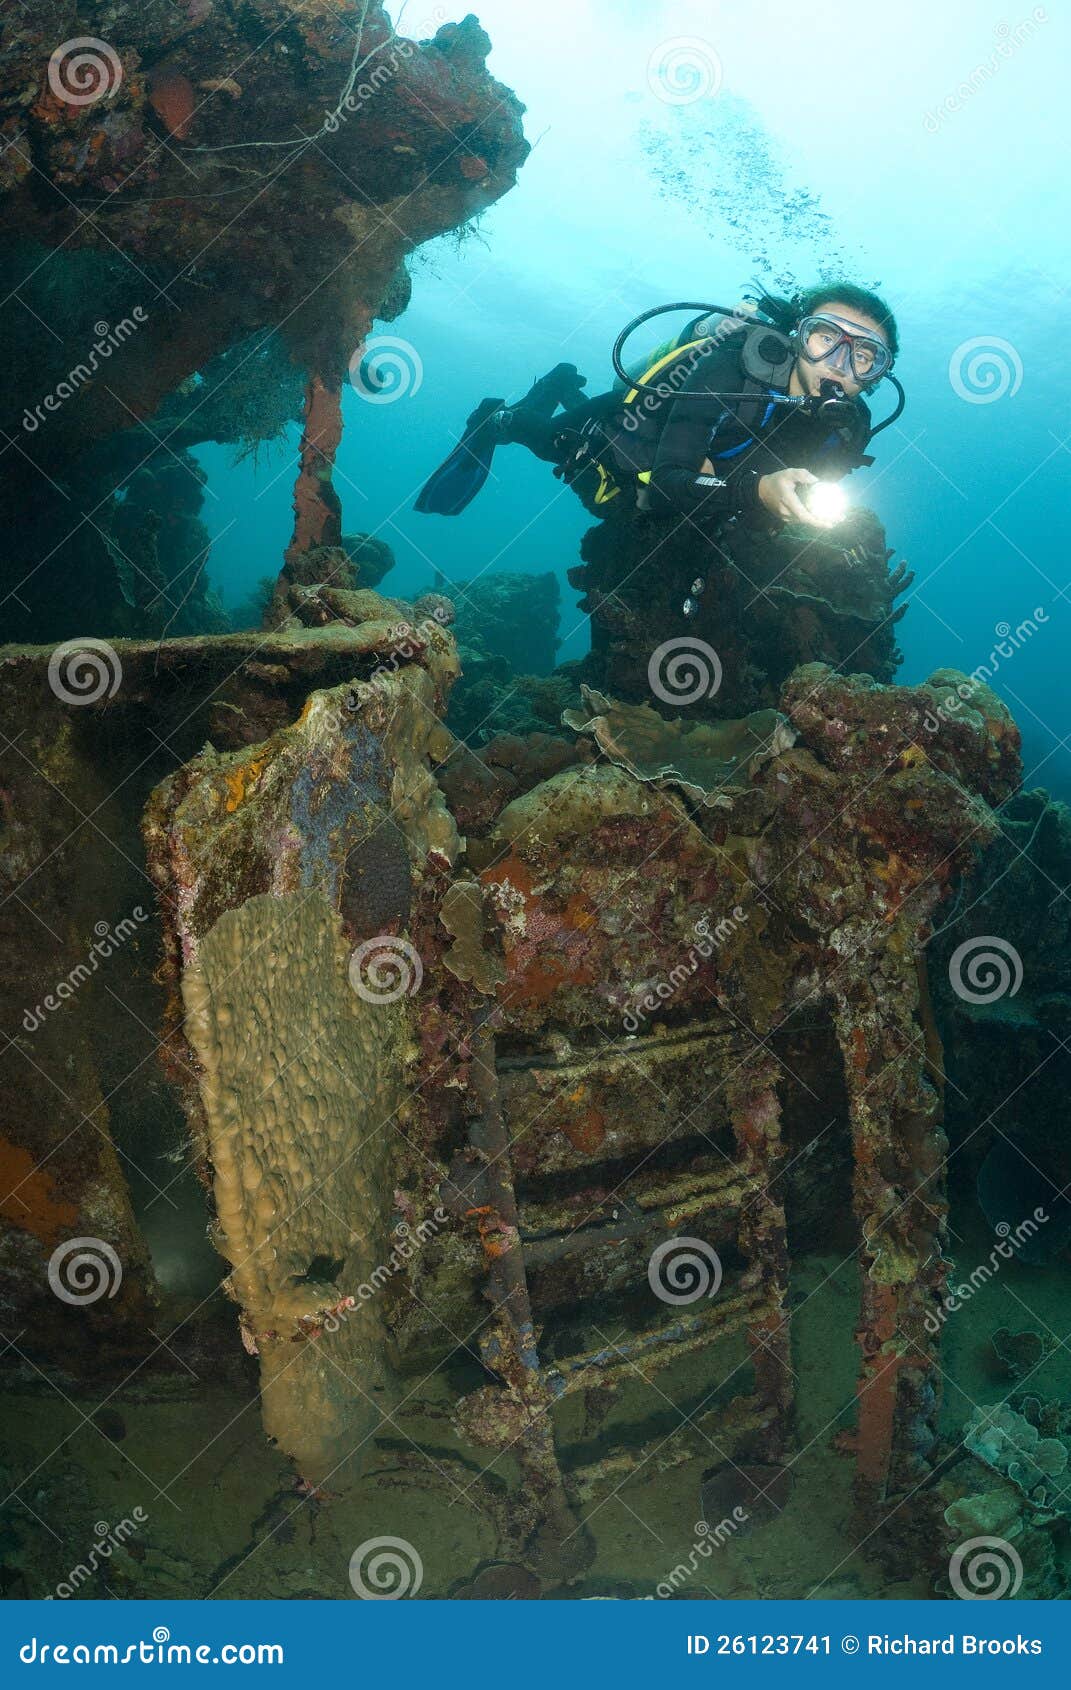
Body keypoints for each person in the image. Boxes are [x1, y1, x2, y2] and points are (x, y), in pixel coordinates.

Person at [415, 284, 900, 532]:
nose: (839, 365)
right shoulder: (727, 372)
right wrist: (752, 494)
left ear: (877, 375)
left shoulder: (850, 428)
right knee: (559, 446)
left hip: (709, 480)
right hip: (635, 430)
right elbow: (669, 483)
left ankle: (564, 385)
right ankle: (503, 417)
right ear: (797, 336)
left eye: (863, 356)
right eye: (826, 338)